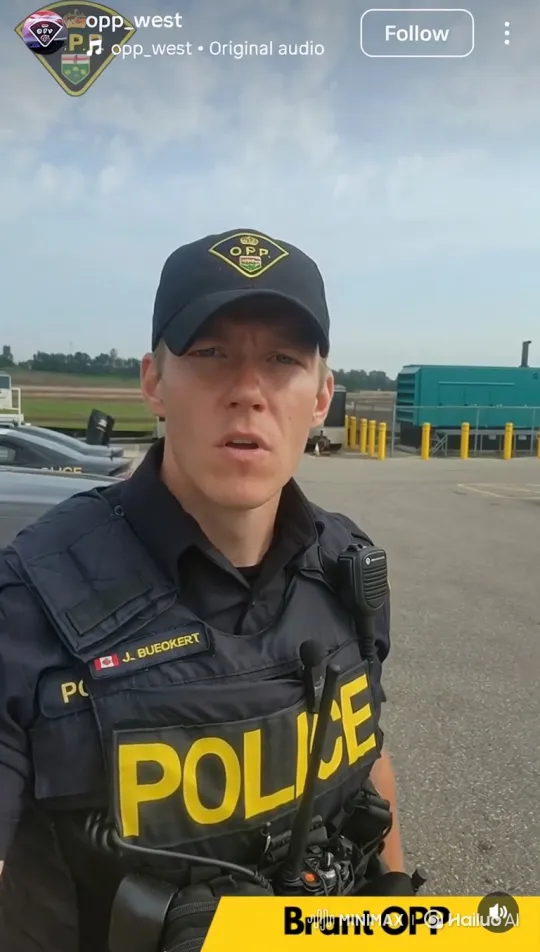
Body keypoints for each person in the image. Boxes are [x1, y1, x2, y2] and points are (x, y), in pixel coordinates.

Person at [0, 229, 405, 952]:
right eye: (211, 354)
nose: (248, 391)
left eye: (283, 359)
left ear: (320, 397)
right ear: (154, 381)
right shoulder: (27, 604)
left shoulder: (350, 567)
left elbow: (372, 775)